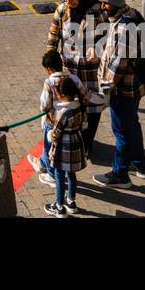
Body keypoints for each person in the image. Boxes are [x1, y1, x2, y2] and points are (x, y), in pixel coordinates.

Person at [93, 0, 145, 186]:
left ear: (115, 4)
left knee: (122, 132)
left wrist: (104, 88)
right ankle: (140, 165)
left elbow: (118, 63)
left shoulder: (123, 28)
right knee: (132, 126)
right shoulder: (129, 16)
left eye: (105, 3)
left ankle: (120, 175)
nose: (102, 6)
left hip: (123, 89)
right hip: (133, 87)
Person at [44, 0, 106, 152]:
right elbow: (53, 34)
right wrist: (51, 57)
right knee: (71, 106)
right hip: (69, 70)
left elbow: (108, 35)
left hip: (90, 71)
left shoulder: (97, 11)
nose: (68, 2)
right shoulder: (62, 10)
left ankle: (86, 145)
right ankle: (73, 141)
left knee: (92, 108)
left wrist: (98, 49)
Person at [35, 49, 88, 188]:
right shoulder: (74, 78)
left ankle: (52, 174)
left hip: (53, 122)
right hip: (72, 122)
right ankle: (50, 168)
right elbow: (84, 95)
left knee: (50, 147)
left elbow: (45, 104)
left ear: (49, 68)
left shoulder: (50, 82)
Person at [44, 75, 88, 218]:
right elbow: (85, 125)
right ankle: (71, 202)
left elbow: (55, 135)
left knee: (59, 176)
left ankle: (59, 206)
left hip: (63, 149)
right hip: (76, 145)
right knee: (71, 174)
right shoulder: (80, 106)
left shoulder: (62, 113)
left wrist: (49, 133)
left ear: (61, 94)